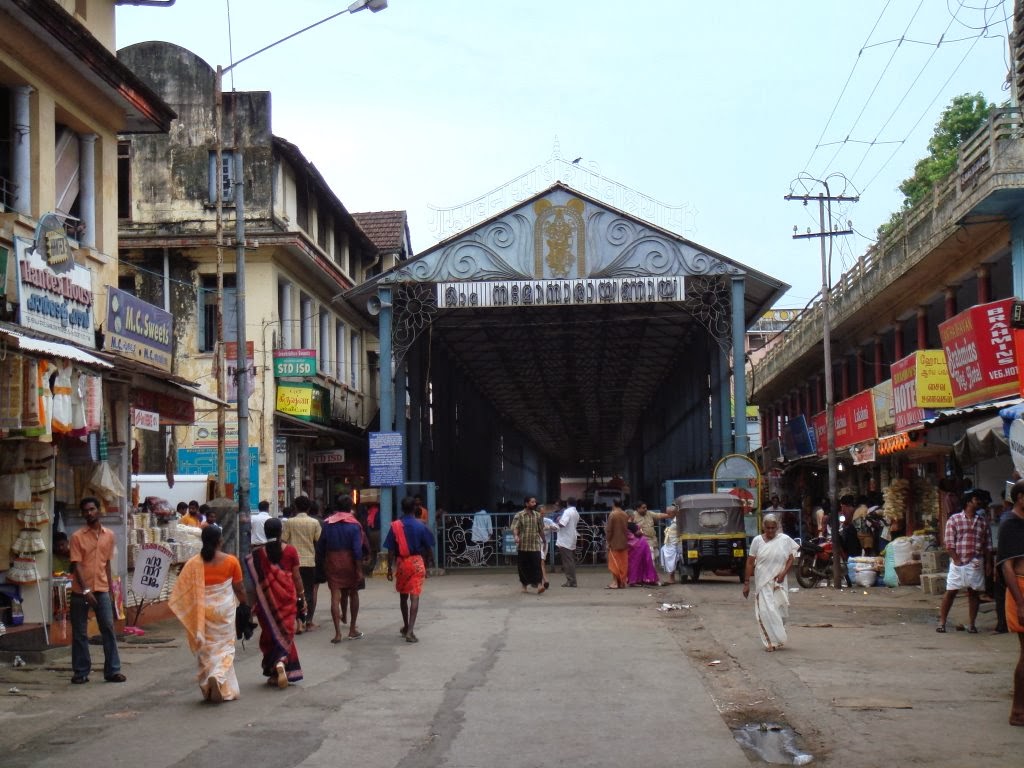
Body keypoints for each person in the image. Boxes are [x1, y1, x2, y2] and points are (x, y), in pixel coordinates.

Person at [169, 524, 248, 701]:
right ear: (220, 541)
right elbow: (240, 588)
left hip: (202, 610)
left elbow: (182, 589)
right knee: (226, 646)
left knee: (206, 648)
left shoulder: (193, 563)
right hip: (225, 610)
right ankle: (218, 676)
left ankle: (210, 681)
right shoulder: (231, 561)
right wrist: (245, 605)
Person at [69, 496, 124, 684]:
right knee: (80, 633)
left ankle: (113, 670)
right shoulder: (77, 537)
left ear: (99, 511)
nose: (89, 513)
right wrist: (86, 591)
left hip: (101, 589)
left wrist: (110, 589)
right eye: (85, 510)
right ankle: (81, 672)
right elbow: (76, 565)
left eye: (92, 509)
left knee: (108, 628)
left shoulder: (109, 535)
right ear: (83, 514)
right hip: (80, 592)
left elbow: (107, 564)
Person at [244, 518, 304, 688]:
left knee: (270, 634)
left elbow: (252, 584)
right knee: (286, 633)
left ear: (265, 531)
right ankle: (281, 661)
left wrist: (250, 606)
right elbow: (297, 577)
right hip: (287, 599)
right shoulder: (291, 551)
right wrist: (302, 596)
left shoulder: (257, 554)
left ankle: (273, 670)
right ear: (281, 531)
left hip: (265, 603)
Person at [937, 489, 990, 634]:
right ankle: (942, 622)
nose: (979, 502)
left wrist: (988, 563)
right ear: (968, 502)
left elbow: (987, 545)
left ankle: (972, 624)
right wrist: (956, 559)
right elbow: (949, 543)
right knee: (951, 592)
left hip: (976, 562)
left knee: (973, 593)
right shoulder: (954, 520)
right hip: (958, 562)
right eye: (976, 500)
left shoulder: (982, 522)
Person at [742, 513, 798, 652]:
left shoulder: (784, 540)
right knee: (766, 612)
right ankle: (770, 642)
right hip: (763, 582)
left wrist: (783, 573)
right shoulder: (757, 541)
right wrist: (746, 582)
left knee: (781, 612)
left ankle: (778, 635)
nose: (771, 531)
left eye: (773, 528)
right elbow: (750, 562)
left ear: (777, 527)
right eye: (768, 528)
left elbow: (791, 558)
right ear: (763, 527)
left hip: (779, 582)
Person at [385, 495, 437, 643]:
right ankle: (410, 631)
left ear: (402, 508)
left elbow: (390, 550)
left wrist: (389, 568)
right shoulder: (421, 526)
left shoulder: (395, 526)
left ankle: (406, 625)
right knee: (415, 596)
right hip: (416, 562)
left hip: (401, 563)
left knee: (403, 596)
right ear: (415, 508)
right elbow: (428, 547)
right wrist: (430, 562)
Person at [318, 496, 368, 643]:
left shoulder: (328, 524)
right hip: (350, 562)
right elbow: (357, 550)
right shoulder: (355, 525)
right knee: (354, 594)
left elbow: (320, 547)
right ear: (350, 507)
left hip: (332, 561)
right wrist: (359, 570)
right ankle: (352, 629)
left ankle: (337, 633)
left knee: (335, 596)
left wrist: (323, 564)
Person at [997, 479, 1024, 726]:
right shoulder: (1010, 523)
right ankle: (1017, 710)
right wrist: (1020, 602)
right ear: (1020, 498)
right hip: (1021, 589)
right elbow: (1007, 566)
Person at [283, 494, 322, 632]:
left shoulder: (289, 522)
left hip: (293, 562)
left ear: (295, 507)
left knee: (295, 592)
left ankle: (298, 621)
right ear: (309, 508)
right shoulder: (314, 523)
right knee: (309, 592)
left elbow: (283, 540)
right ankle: (308, 621)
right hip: (309, 561)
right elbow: (319, 541)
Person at [511, 496, 546, 594]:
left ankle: (539, 585)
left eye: (535, 502)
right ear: (526, 504)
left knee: (537, 565)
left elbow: (541, 529)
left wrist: (544, 540)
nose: (534, 504)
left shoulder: (538, 515)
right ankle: (524, 586)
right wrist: (516, 536)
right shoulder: (519, 515)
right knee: (523, 566)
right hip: (523, 545)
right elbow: (515, 527)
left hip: (535, 544)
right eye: (532, 502)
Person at [555, 498, 581, 587]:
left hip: (565, 538)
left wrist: (557, 521)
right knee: (570, 560)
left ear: (567, 503)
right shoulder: (576, 513)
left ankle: (571, 581)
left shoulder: (567, 512)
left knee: (567, 561)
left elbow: (562, 524)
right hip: (572, 537)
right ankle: (572, 580)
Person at [605, 499, 630, 589]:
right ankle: (622, 582)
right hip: (623, 541)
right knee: (623, 562)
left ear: (613, 504)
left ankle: (615, 582)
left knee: (614, 562)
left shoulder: (613, 514)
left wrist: (608, 541)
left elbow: (609, 530)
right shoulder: (624, 514)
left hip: (614, 542)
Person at [626, 521, 659, 586]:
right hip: (639, 545)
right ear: (631, 516)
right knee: (645, 562)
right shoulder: (632, 525)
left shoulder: (623, 526)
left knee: (633, 564)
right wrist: (641, 531)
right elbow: (638, 533)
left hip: (630, 547)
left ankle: (634, 580)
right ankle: (647, 579)